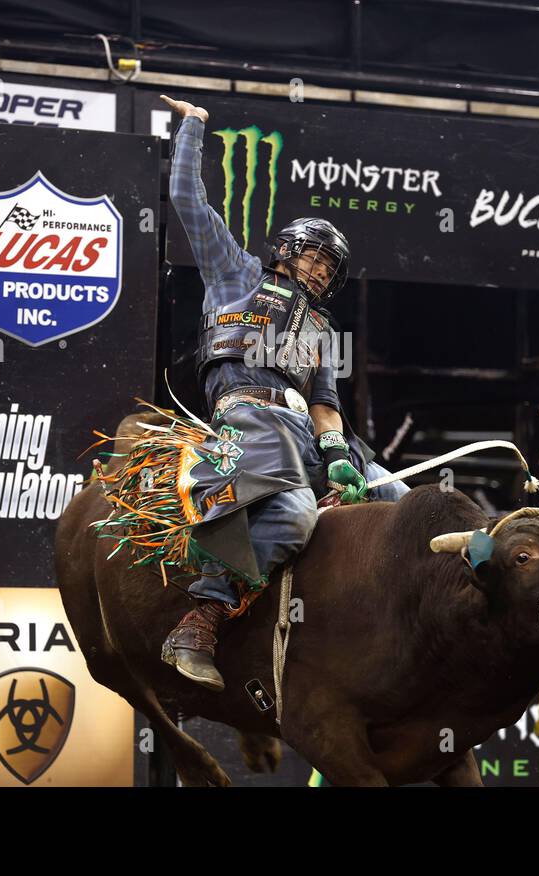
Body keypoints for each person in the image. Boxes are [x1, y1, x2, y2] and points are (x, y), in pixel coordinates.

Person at [157, 93, 408, 691]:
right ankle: (202, 617)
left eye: (330, 267)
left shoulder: (321, 329)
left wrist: (342, 456)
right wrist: (192, 127)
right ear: (287, 251)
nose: (320, 270)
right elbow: (187, 201)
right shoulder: (235, 273)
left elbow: (325, 405)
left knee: (402, 496)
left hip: (307, 431)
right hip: (248, 419)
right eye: (314, 256)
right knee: (295, 515)